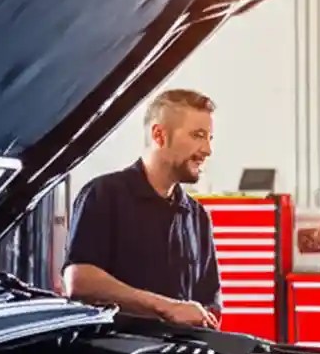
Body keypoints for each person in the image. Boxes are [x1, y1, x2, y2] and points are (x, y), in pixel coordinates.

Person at [62, 88, 222, 328]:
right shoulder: (103, 195)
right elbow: (80, 281)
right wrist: (166, 307)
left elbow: (209, 301)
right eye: (198, 135)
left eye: (209, 138)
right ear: (159, 135)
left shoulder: (196, 216)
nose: (207, 150)